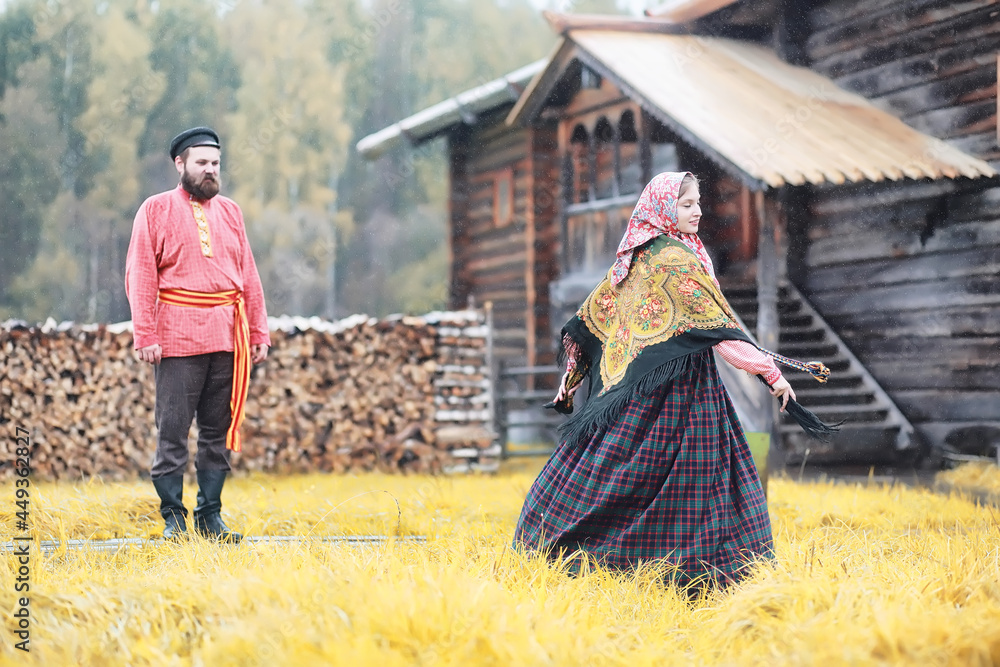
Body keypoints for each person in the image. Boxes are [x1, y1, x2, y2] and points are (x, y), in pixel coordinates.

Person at [514, 171, 832, 589]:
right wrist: (769, 372)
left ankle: (597, 550)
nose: (697, 211)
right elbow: (715, 332)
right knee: (685, 478)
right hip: (670, 392)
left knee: (623, 472)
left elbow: (604, 317)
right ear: (663, 209)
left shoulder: (649, 254)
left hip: (662, 388)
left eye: (698, 202)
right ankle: (699, 567)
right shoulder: (671, 258)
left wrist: (572, 378)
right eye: (686, 204)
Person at [125, 126, 271, 543]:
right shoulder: (154, 210)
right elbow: (141, 274)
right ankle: (174, 518)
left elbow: (248, 275)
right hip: (176, 335)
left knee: (216, 431)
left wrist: (259, 328)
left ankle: (211, 518)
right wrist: (145, 334)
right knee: (172, 430)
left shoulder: (231, 212)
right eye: (202, 163)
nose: (210, 171)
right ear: (180, 164)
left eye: (215, 164)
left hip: (229, 336)